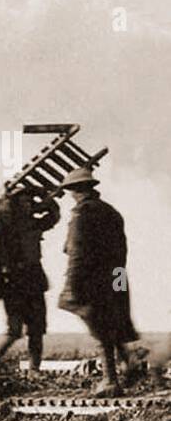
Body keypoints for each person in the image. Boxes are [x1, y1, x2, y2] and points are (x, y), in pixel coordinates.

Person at [57, 168, 138, 395]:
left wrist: (71, 287)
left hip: (93, 281)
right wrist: (119, 283)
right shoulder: (111, 212)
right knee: (115, 320)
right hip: (117, 275)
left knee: (98, 326)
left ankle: (111, 380)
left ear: (74, 190)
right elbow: (123, 249)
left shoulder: (81, 215)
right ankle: (129, 362)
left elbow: (76, 253)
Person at [0, 186, 60, 371]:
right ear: (15, 204)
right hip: (13, 282)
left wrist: (43, 194)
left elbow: (54, 216)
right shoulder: (3, 223)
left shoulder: (33, 223)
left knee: (37, 330)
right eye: (23, 201)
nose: (27, 205)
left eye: (29, 202)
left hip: (34, 280)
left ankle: (34, 370)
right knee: (14, 330)